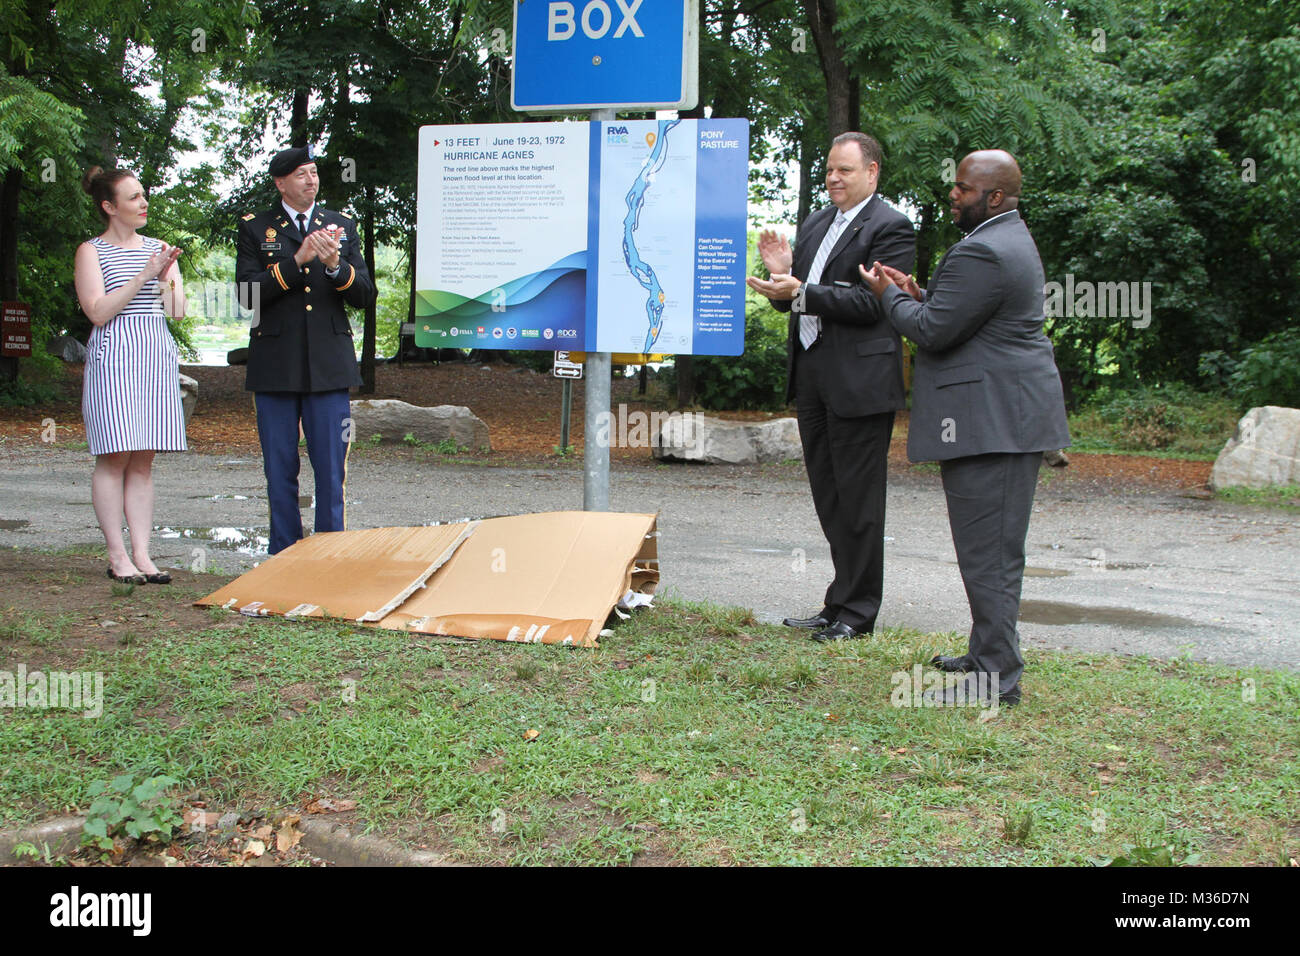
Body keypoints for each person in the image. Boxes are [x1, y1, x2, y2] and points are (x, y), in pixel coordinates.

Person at [860, 149, 1070, 705]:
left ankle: (995, 679)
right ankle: (986, 656)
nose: (953, 194)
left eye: (963, 188)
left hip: (995, 423)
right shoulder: (1005, 240)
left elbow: (931, 333)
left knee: (991, 556)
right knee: (989, 549)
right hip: (999, 418)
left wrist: (887, 298)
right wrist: (919, 294)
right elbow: (961, 316)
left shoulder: (984, 251)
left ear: (994, 196)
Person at [746, 132, 915, 642]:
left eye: (844, 170)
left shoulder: (892, 227)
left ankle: (859, 615)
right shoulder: (818, 222)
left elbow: (875, 303)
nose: (833, 179)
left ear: (872, 172)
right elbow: (800, 300)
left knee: (859, 500)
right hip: (815, 375)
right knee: (830, 495)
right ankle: (838, 603)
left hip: (860, 381)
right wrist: (783, 281)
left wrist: (805, 291)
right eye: (828, 171)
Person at [236, 146, 373, 555]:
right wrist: (297, 261)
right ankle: (283, 554)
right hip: (275, 364)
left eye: (314, 173)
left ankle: (329, 554)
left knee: (331, 470)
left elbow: (365, 294)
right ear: (280, 183)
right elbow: (247, 294)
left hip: (329, 365)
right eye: (301, 174)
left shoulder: (341, 225)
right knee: (280, 469)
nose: (311, 180)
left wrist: (336, 268)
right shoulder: (256, 227)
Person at [74, 166, 186, 585]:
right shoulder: (91, 250)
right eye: (134, 197)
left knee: (143, 459)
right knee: (114, 455)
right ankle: (117, 555)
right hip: (114, 353)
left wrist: (164, 276)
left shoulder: (159, 248)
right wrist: (143, 274)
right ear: (109, 206)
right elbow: (98, 311)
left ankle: (143, 553)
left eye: (144, 195)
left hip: (153, 354)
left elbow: (176, 311)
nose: (143, 203)